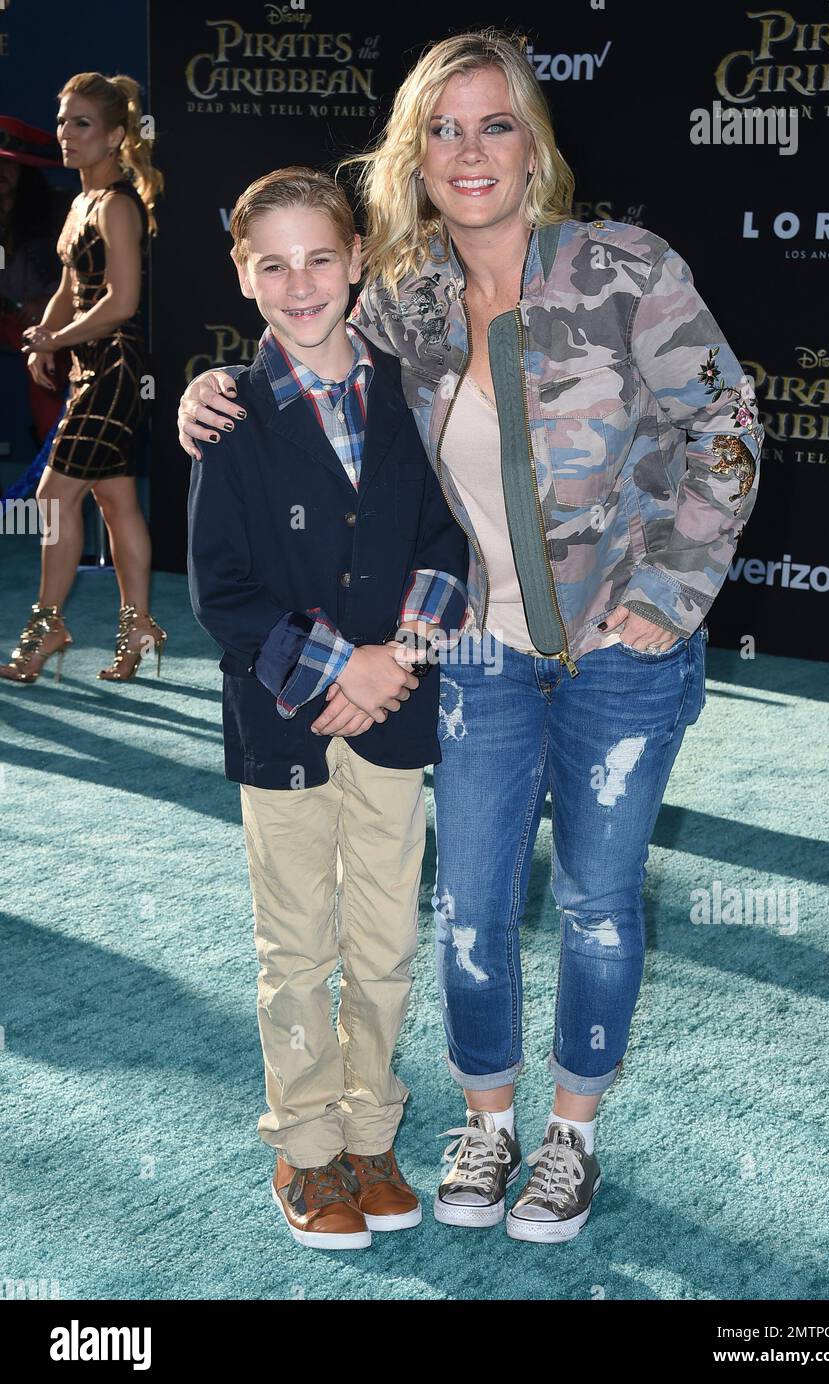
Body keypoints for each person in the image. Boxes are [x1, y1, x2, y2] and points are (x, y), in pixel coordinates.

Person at [176, 28, 763, 1244]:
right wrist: (209, 394)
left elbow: (725, 423)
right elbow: (309, 356)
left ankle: (569, 1138)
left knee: (599, 901)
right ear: (414, 154)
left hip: (623, 648)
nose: (469, 149)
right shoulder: (405, 296)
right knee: (470, 905)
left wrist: (668, 598)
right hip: (473, 651)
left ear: (532, 144)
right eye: (442, 128)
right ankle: (486, 1126)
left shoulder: (622, 268)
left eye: (494, 123)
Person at [186, 166, 468, 1249]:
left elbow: (446, 543)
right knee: (297, 944)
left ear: (356, 263)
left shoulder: (407, 390)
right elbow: (223, 592)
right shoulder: (229, 415)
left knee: (387, 934)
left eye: (319, 257)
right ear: (243, 275)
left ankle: (370, 1129)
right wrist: (336, 669)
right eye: (273, 263)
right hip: (284, 724)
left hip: (396, 708)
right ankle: (306, 1150)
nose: (299, 283)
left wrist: (395, 657)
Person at [0, 73, 165, 685]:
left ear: (116, 136)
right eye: (63, 120)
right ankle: (141, 626)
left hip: (116, 370)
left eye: (81, 124)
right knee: (116, 501)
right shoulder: (79, 203)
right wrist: (41, 337)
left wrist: (57, 339)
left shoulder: (120, 204)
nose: (65, 134)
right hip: (89, 368)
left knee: (52, 497)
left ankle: (48, 625)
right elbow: (71, 290)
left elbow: (122, 301)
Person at [0, 117, 69, 444]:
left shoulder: (55, 210)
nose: (2, 172)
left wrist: (44, 304)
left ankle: (53, 459)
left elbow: (80, 279)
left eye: (10, 165)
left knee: (49, 381)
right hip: (6, 317)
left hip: (48, 322)